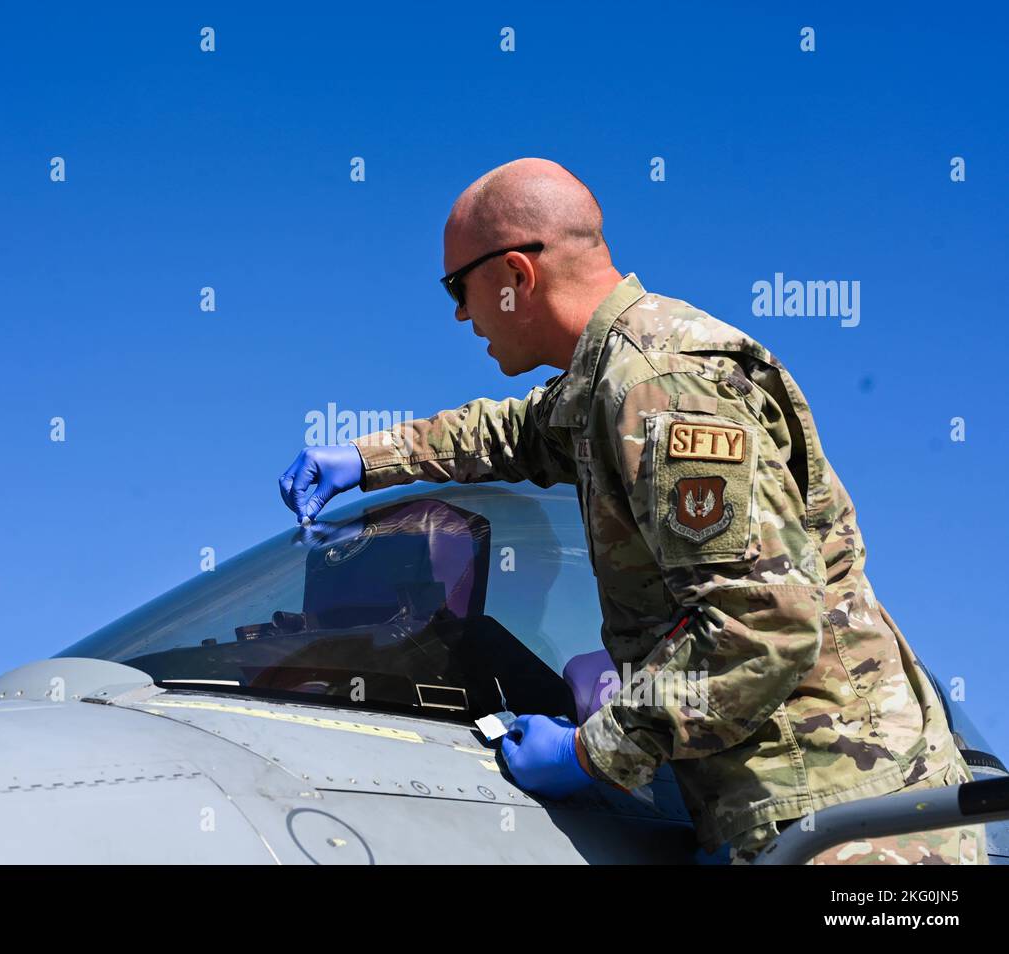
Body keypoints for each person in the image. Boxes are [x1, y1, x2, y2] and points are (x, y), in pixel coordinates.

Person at [277, 158, 986, 865]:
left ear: (517, 276)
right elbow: (510, 434)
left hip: (843, 823)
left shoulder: (662, 385)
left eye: (459, 288)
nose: (460, 314)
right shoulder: (608, 384)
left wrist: (593, 753)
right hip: (797, 806)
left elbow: (762, 625)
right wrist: (365, 459)